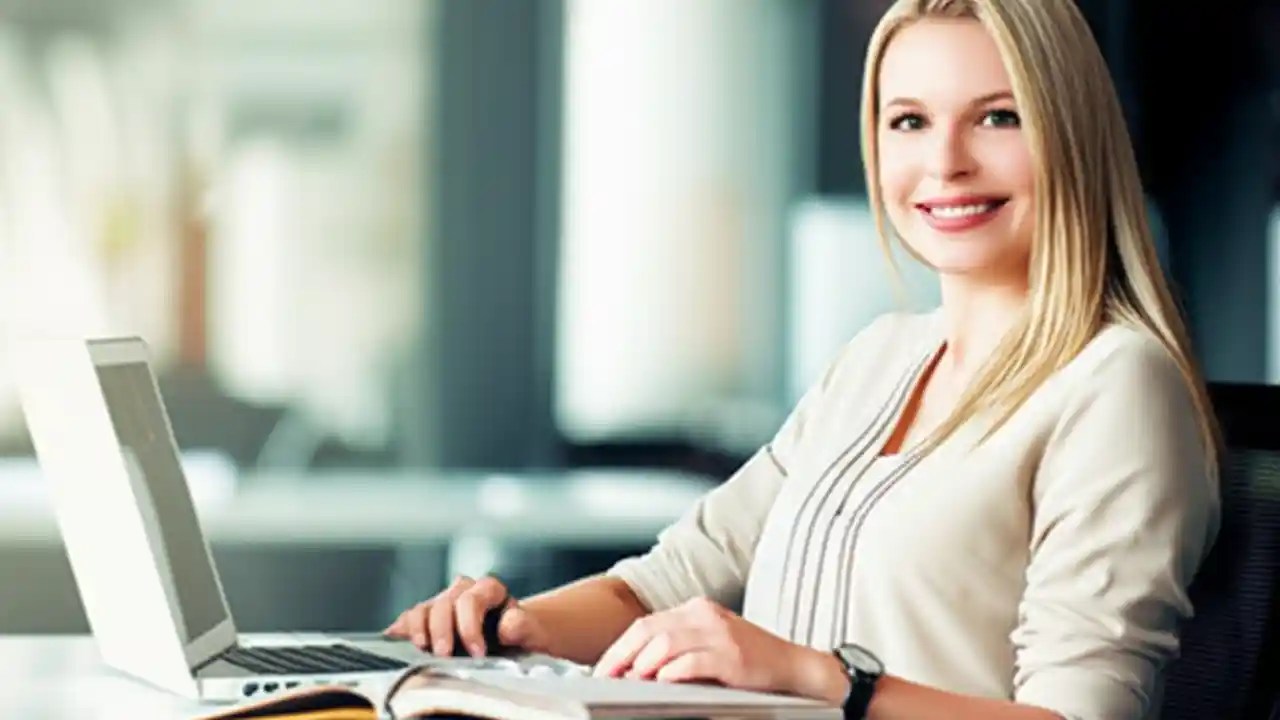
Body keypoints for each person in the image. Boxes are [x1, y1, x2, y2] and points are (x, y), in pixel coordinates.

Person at [384, 1, 1222, 718]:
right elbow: (671, 580)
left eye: (998, 117)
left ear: (1071, 134)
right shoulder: (881, 356)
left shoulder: (1117, 383)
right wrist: (513, 625)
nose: (945, 161)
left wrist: (819, 680)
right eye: (910, 121)